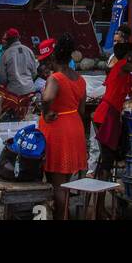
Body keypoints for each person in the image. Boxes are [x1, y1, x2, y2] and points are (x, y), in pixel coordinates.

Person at [39, 33, 89, 218]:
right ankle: (64, 213)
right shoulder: (80, 79)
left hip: (58, 131)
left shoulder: (56, 78)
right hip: (74, 127)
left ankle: (62, 216)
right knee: (66, 181)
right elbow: (82, 110)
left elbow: (48, 98)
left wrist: (45, 112)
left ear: (53, 57)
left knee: (57, 183)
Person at [93, 41, 132, 178]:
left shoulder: (126, 74)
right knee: (107, 160)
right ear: (129, 56)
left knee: (109, 156)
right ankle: (101, 190)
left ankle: (106, 184)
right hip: (107, 114)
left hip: (108, 113)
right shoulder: (122, 64)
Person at [0, 28, 38, 120]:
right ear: (18, 38)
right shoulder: (29, 50)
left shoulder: (6, 54)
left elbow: (2, 79)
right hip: (30, 90)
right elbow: (34, 73)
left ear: (9, 40)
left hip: (13, 94)